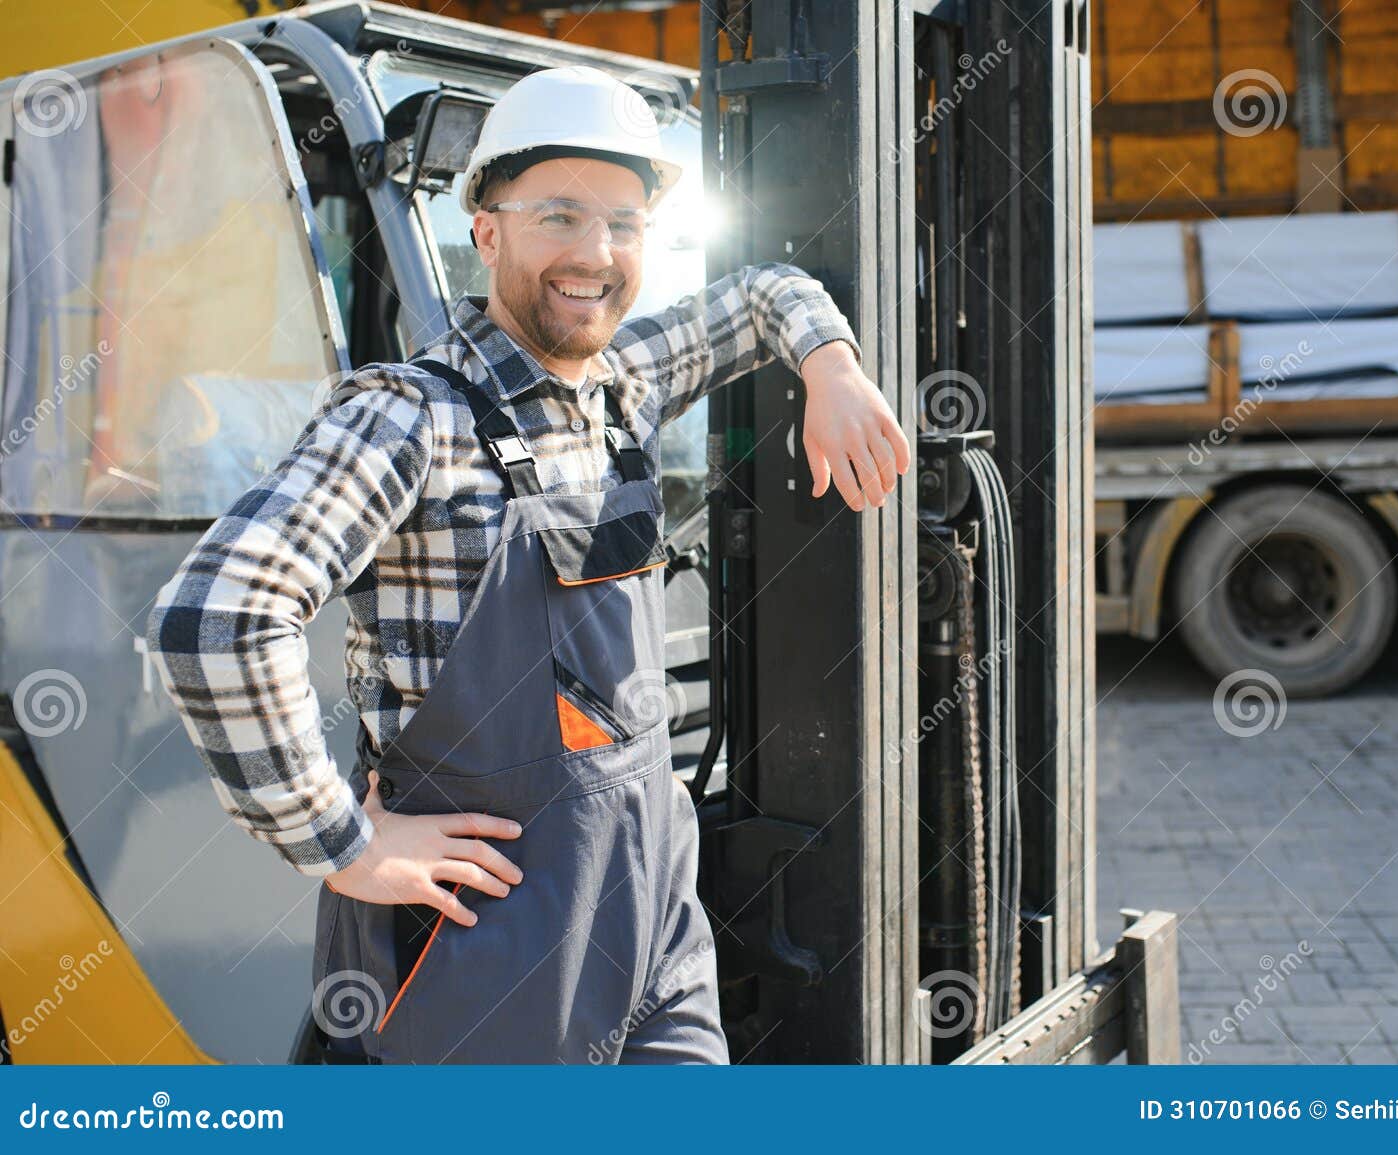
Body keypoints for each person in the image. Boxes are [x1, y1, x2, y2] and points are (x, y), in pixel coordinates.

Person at [145, 65, 910, 1064]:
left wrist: (831, 365)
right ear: (489, 232)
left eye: (625, 223)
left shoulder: (623, 386)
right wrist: (340, 841)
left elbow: (769, 291)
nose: (595, 253)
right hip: (482, 956)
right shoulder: (410, 414)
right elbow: (216, 619)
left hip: (650, 931)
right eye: (559, 216)